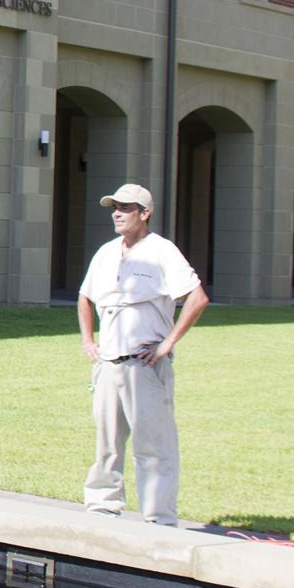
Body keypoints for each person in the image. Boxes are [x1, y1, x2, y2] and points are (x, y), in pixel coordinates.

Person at [77, 183, 209, 525]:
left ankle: (159, 518)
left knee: (154, 446)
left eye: (125, 207)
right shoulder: (106, 252)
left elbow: (197, 298)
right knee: (107, 444)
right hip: (108, 364)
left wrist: (168, 344)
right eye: (113, 207)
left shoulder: (162, 251)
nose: (117, 213)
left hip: (145, 366)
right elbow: (85, 297)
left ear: (145, 213)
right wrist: (88, 341)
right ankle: (103, 507)